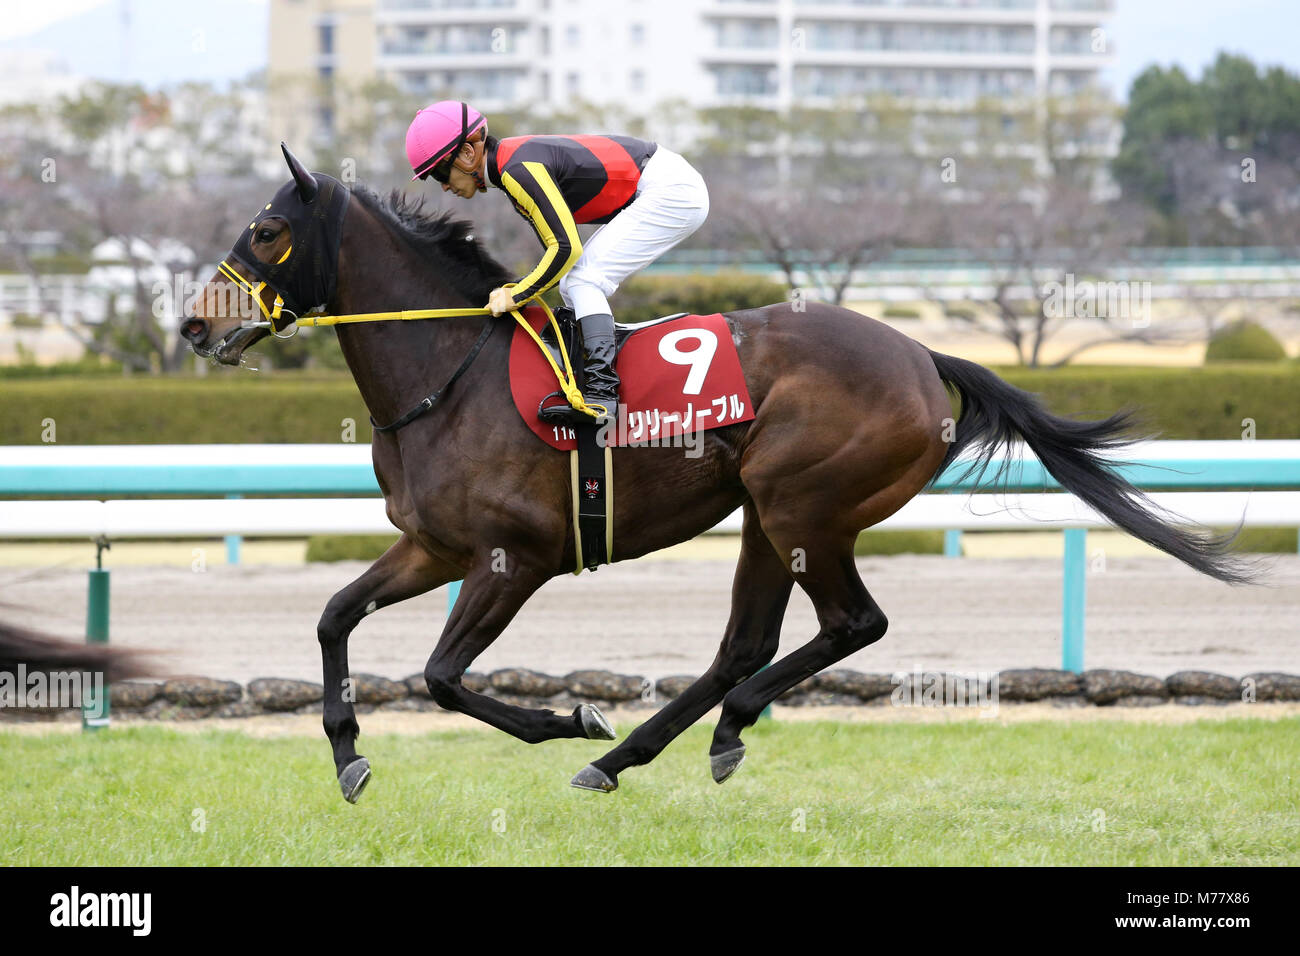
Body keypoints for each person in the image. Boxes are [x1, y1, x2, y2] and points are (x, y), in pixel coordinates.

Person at [404, 100, 709, 426]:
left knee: (581, 280)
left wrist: (517, 294)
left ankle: (603, 395)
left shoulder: (517, 170)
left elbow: (565, 249)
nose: (444, 186)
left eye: (439, 173)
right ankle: (589, 383)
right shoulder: (512, 170)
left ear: (467, 154)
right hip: (663, 183)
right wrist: (520, 290)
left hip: (671, 190)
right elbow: (560, 254)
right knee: (575, 284)